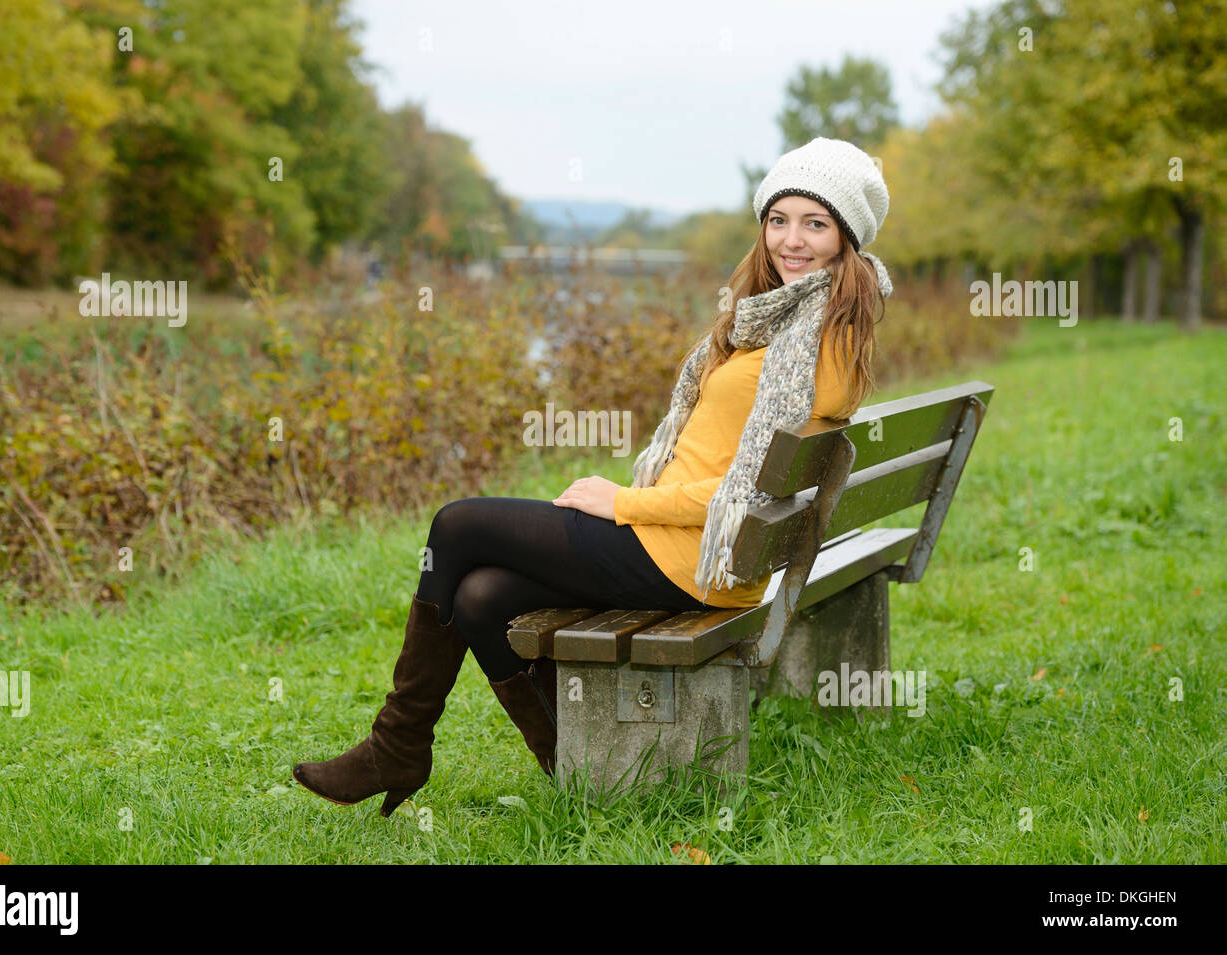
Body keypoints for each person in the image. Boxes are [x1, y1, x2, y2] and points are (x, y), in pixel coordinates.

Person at [292, 137, 894, 815]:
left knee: (456, 525)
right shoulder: (793, 323)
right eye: (779, 219)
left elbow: (749, 491)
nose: (793, 240)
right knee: (482, 596)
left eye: (816, 224)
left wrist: (624, 502)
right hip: (701, 553)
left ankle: (397, 745)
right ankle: (578, 770)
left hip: (689, 558)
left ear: (847, 240)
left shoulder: (818, 342)